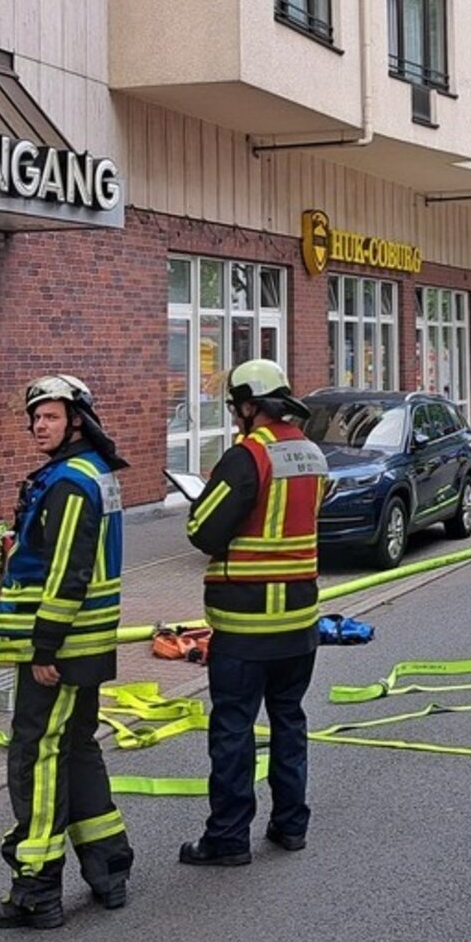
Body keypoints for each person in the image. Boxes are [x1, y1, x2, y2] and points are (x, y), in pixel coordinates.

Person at [0, 374, 133, 930]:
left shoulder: (71, 482)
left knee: (37, 757)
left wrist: (45, 646)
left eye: (49, 416)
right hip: (82, 642)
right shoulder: (91, 472)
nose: (38, 426)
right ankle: (109, 867)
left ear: (76, 421)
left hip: (60, 647)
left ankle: (37, 889)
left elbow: (69, 570)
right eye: (35, 417)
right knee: (76, 750)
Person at [180, 359, 327, 867]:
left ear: (248, 407)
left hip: (245, 626)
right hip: (300, 623)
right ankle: (291, 825)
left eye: (235, 407)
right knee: (289, 722)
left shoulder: (248, 456)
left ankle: (228, 838)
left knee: (233, 732)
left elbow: (202, 530)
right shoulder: (311, 454)